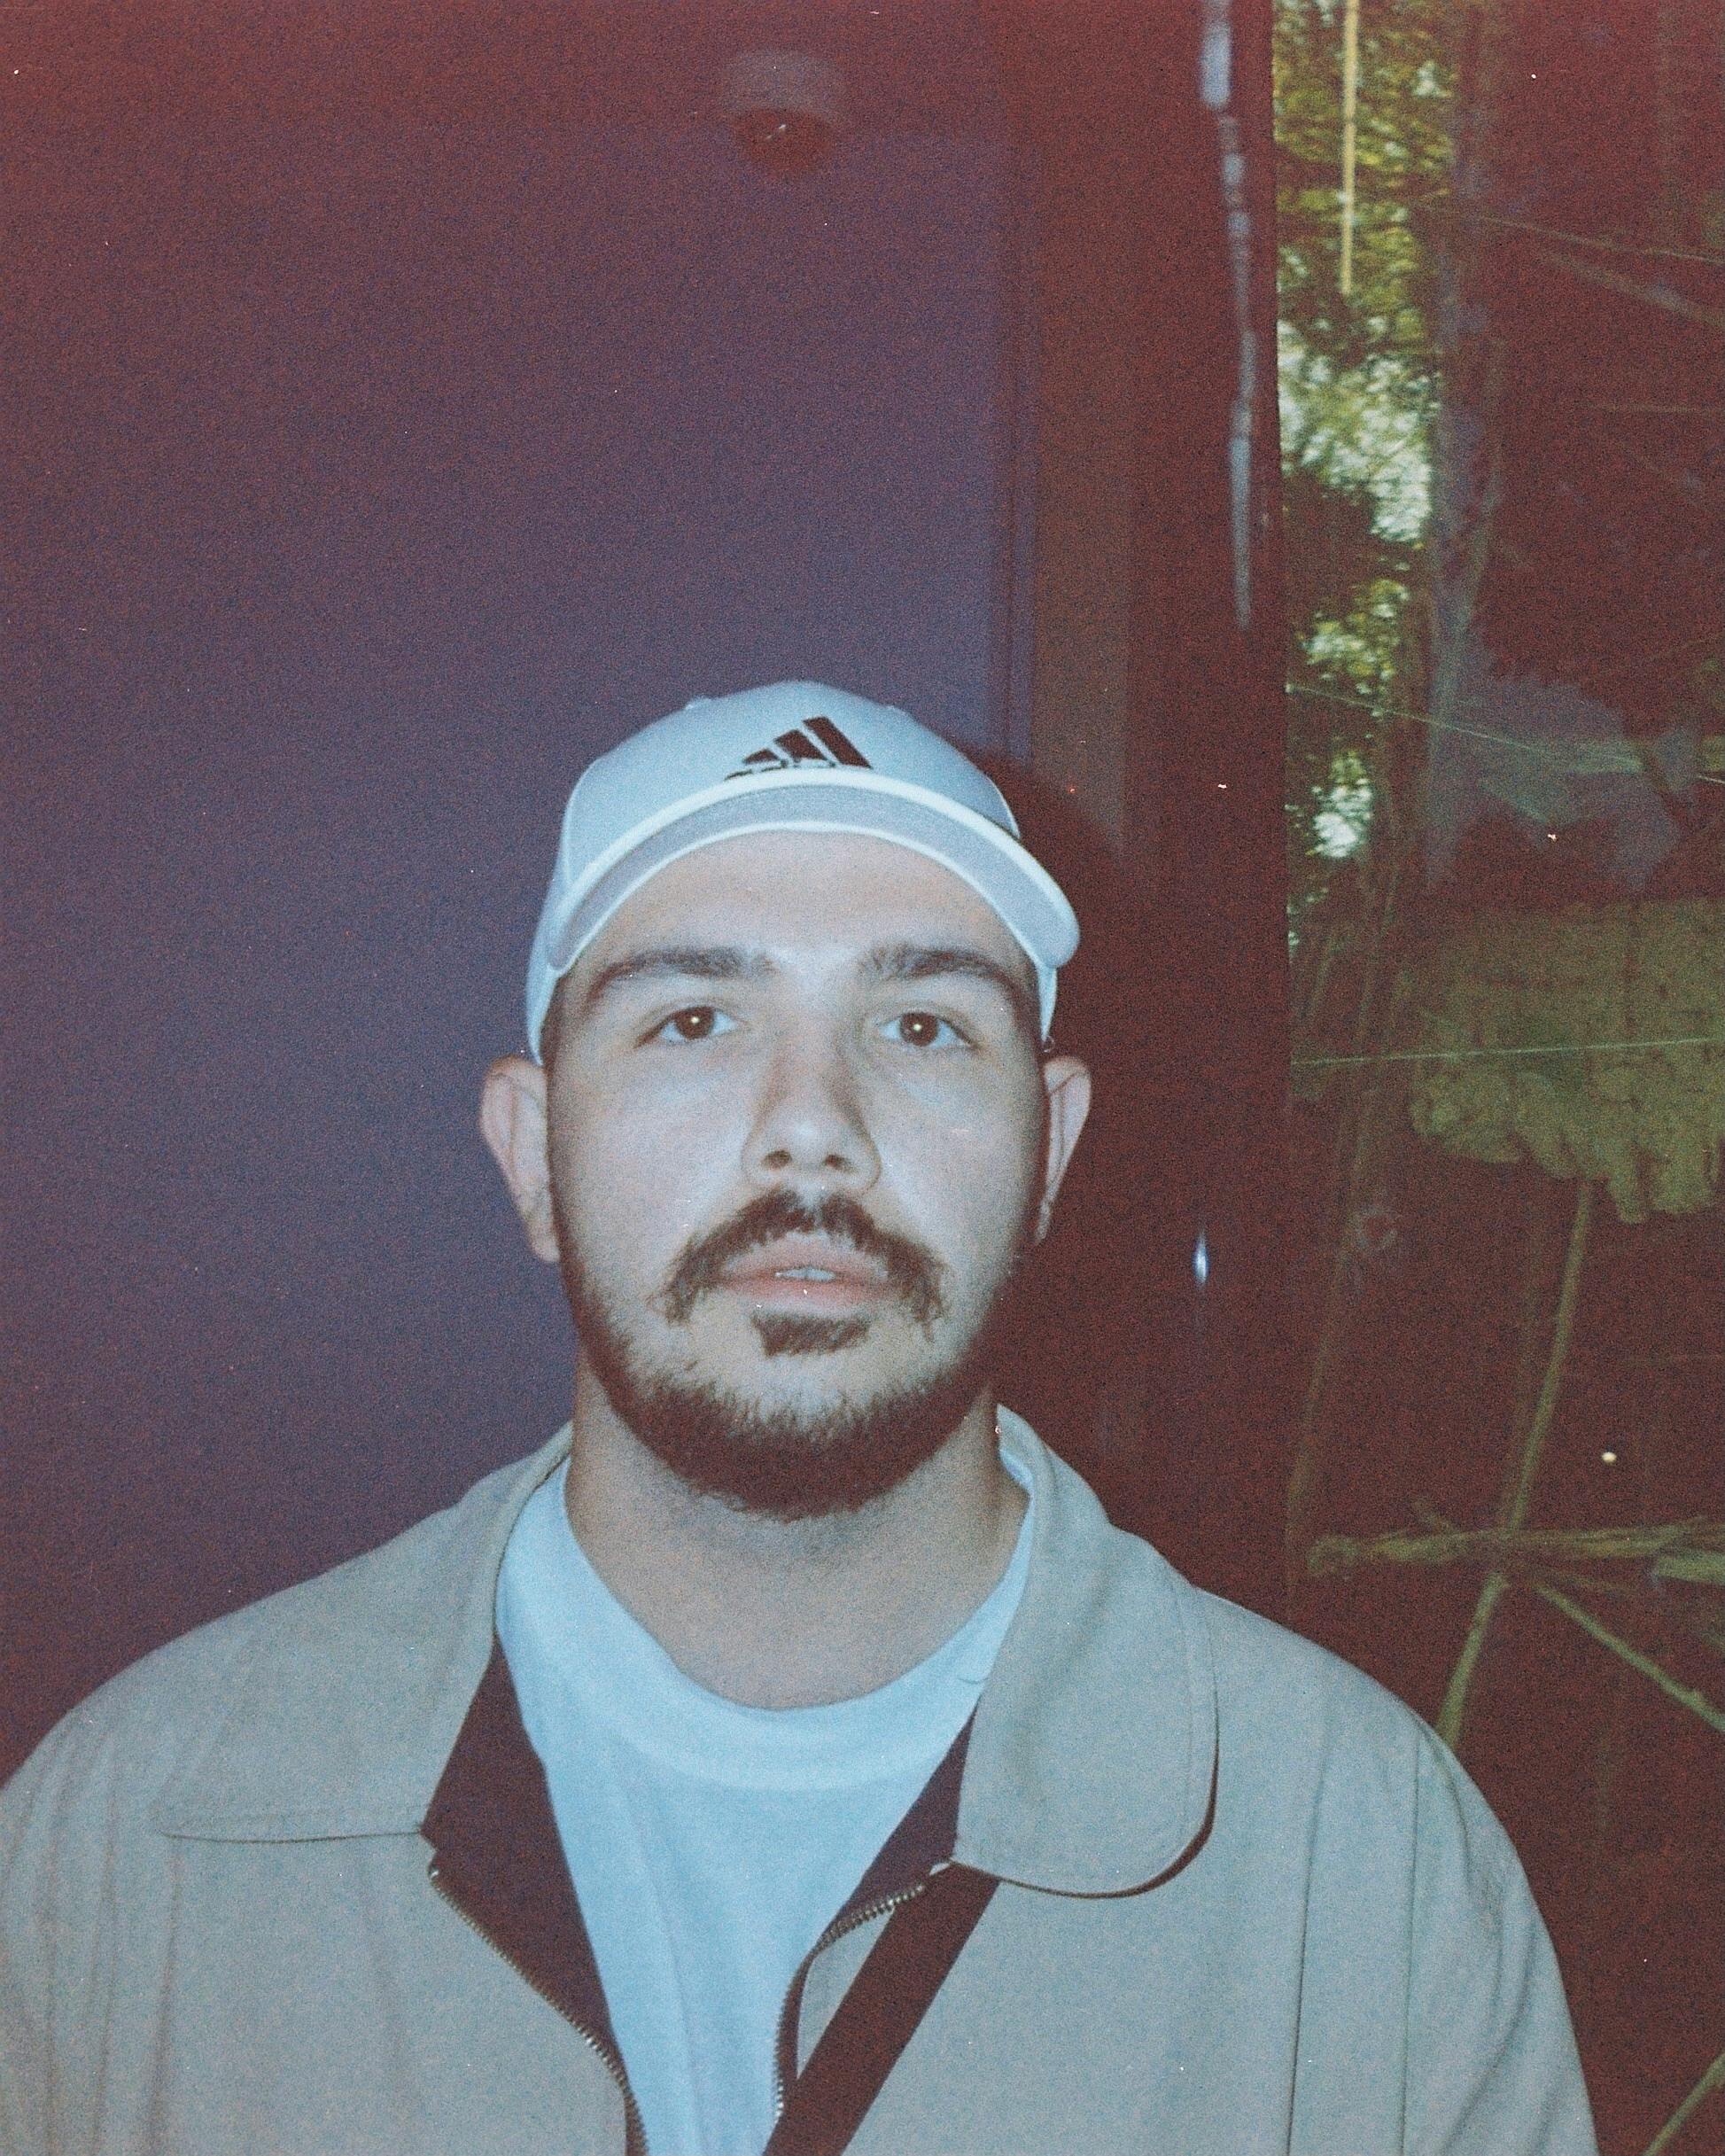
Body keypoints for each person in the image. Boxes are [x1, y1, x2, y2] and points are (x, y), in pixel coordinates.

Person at [0, 681, 1596, 2156]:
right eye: (693, 1019)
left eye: (923, 1026)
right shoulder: (127, 1847)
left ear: (1051, 1152)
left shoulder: (1362, 1871)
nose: (813, 1131)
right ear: (532, 1153)